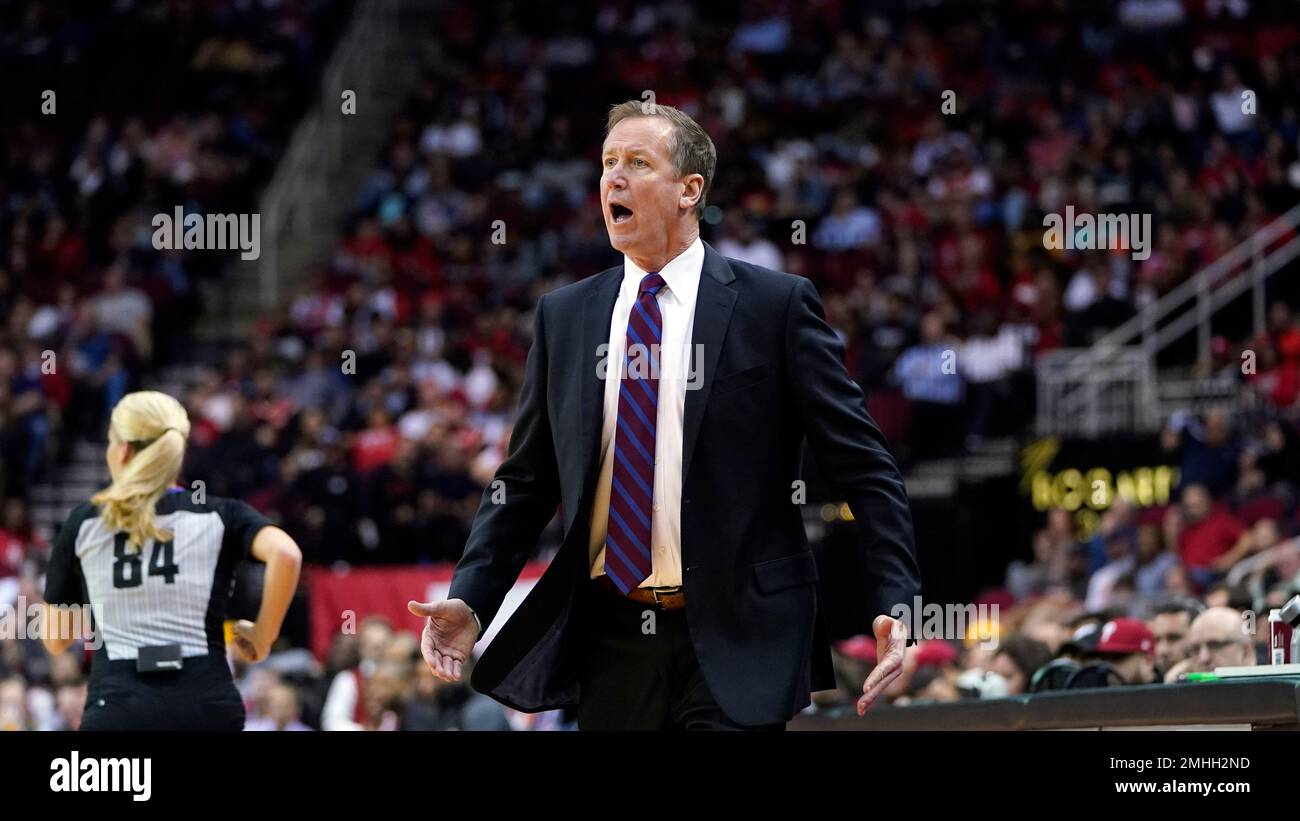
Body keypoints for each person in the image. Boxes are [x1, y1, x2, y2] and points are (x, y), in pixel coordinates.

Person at [408, 101, 921, 730]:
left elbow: (865, 468)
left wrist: (897, 602)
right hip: (610, 636)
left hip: (739, 631)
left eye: (637, 163)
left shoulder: (773, 305)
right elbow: (524, 482)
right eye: (607, 164)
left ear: (689, 190)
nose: (613, 179)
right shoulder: (565, 317)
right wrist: (472, 598)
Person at [41, 391, 302, 730]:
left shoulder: (85, 522)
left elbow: (56, 639)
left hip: (120, 708)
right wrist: (264, 635)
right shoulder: (220, 515)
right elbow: (286, 554)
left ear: (122, 450)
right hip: (205, 704)